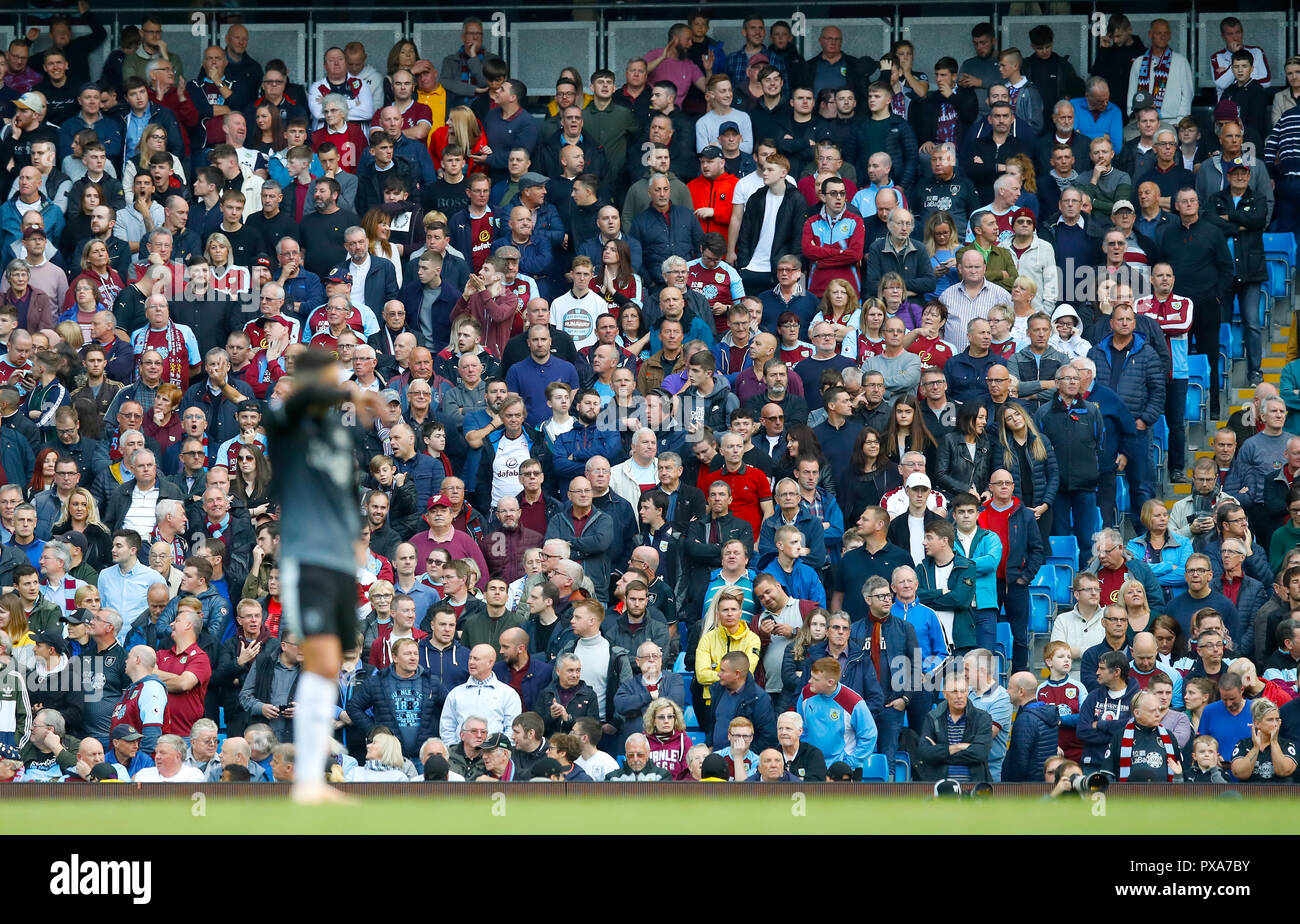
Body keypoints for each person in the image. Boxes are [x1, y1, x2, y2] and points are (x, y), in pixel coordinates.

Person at [916, 669, 993, 782]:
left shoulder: (982, 718)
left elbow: (980, 753)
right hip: (941, 787)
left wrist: (940, 753)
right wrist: (958, 747)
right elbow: (925, 753)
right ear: (945, 694)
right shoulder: (933, 717)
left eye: (963, 691)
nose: (959, 696)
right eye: (954, 691)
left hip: (975, 788)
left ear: (968, 692)